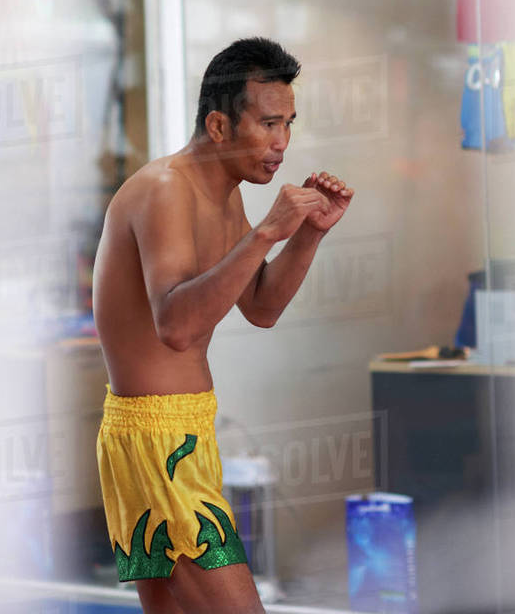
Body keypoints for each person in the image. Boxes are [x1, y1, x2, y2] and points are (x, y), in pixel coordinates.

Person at [92, 37, 354, 614]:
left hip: (180, 434)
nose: (282, 142)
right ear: (218, 124)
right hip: (158, 444)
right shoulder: (166, 189)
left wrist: (308, 235)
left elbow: (260, 306)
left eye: (288, 124)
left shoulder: (225, 196)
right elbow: (176, 326)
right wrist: (267, 232)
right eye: (268, 124)